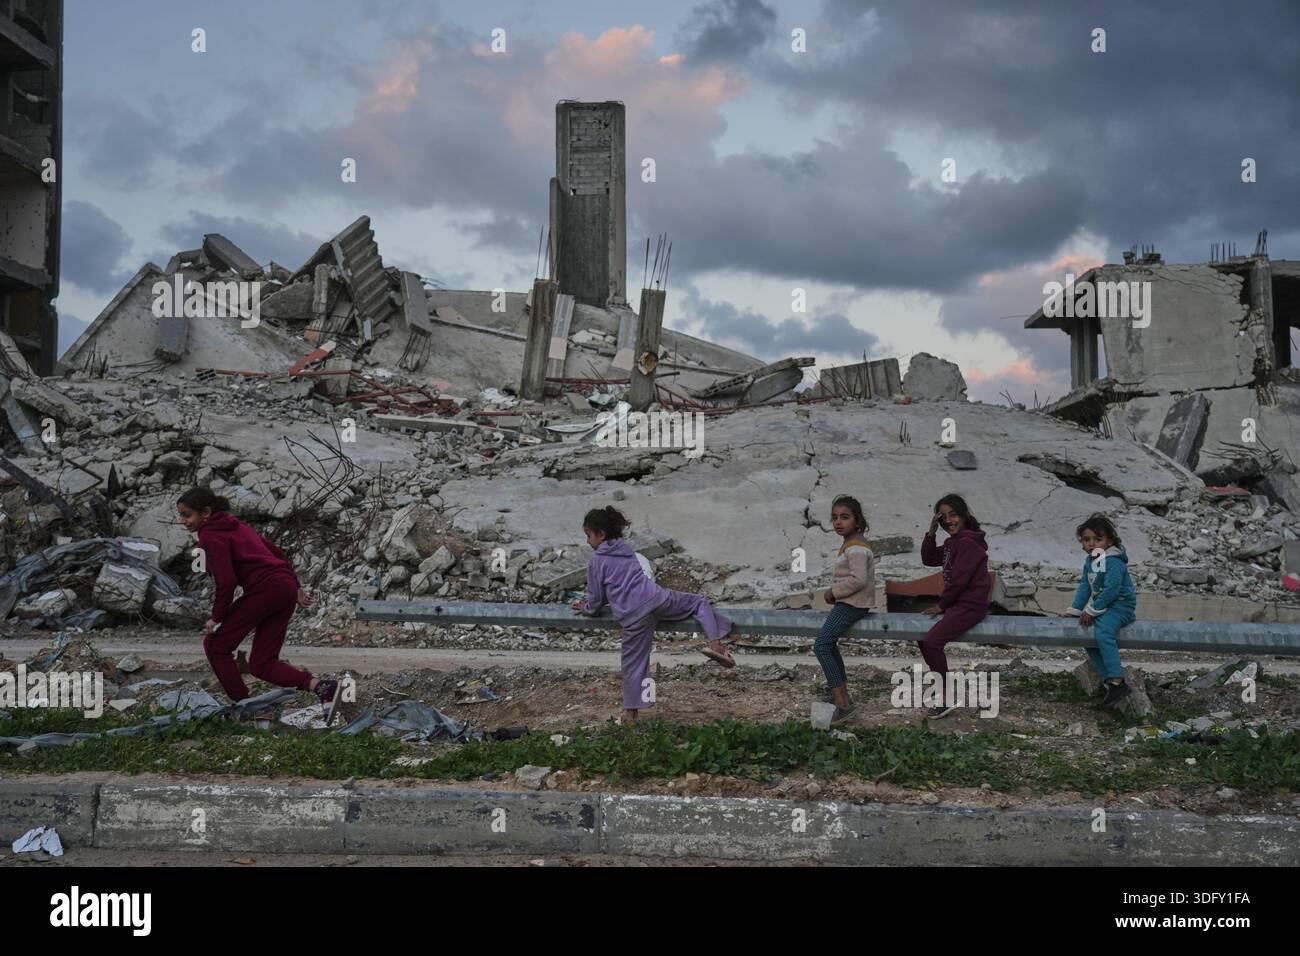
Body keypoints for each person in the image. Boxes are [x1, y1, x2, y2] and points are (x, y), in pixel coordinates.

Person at [177, 487, 339, 719]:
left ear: (206, 512)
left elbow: (227, 581)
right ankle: (323, 687)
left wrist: (217, 617)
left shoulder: (209, 535)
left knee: (216, 646)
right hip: (283, 588)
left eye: (187, 515)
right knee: (262, 664)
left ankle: (245, 706)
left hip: (266, 590)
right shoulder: (237, 525)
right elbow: (276, 552)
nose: (183, 521)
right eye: (181, 515)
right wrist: (296, 587)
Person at [571, 505, 738, 723]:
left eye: (589, 536)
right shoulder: (625, 549)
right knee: (697, 602)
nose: (587, 542)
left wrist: (584, 608)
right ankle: (717, 645)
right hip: (657, 599)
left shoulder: (596, 561)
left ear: (601, 535)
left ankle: (631, 714)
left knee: (634, 662)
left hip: (634, 616)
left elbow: (595, 600)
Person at [919, 493, 990, 718]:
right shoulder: (953, 543)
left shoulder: (968, 543)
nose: (949, 521)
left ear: (966, 516)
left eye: (954, 515)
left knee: (930, 642)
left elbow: (960, 579)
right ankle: (944, 693)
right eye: (943, 518)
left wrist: (942, 605)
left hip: (970, 605)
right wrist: (931, 532)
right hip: (958, 604)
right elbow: (929, 558)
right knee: (924, 640)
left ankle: (947, 698)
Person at [815, 495, 875, 725]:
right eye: (834, 518)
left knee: (821, 646)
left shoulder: (857, 548)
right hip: (850, 602)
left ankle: (842, 704)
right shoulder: (852, 544)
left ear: (858, 520)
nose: (838, 522)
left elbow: (858, 579)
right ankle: (842, 696)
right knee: (828, 645)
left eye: (845, 517)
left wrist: (833, 591)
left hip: (852, 604)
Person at [1067, 513, 1137, 708]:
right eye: (1087, 540)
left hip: (1121, 605)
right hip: (1105, 605)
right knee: (1087, 636)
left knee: (1104, 631)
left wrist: (1093, 610)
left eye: (1098, 539)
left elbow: (1112, 589)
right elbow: (1086, 587)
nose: (1092, 544)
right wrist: (1075, 610)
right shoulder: (1092, 561)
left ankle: (1117, 680)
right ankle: (1107, 681)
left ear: (1110, 541)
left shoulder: (1114, 561)